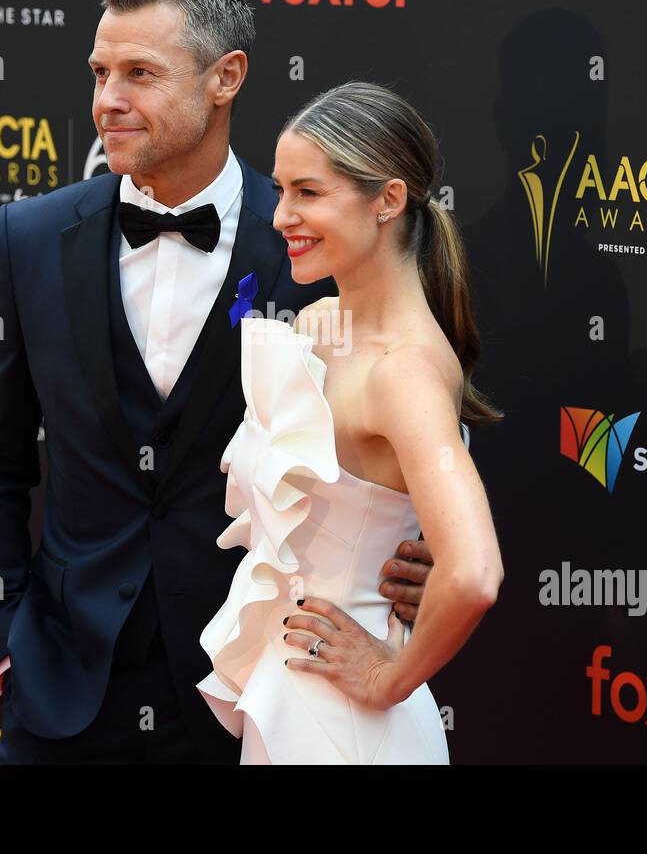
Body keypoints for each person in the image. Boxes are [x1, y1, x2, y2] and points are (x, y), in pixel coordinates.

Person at [0, 0, 436, 764]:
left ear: (225, 78)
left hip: (251, 690)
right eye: (100, 72)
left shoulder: (311, 252)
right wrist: (4, 642)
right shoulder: (29, 239)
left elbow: (412, 441)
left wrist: (416, 561)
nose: (108, 99)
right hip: (62, 690)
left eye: (140, 73)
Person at [196, 81, 506, 763]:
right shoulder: (317, 323)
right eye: (280, 191)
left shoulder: (404, 372)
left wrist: (388, 677)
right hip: (291, 696)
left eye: (307, 192)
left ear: (388, 200)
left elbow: (475, 572)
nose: (281, 216)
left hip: (349, 725)